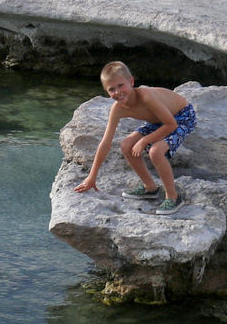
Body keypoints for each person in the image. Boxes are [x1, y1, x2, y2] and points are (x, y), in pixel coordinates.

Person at [72, 61, 195, 214]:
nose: (117, 92)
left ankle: (173, 197)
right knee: (126, 145)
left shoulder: (146, 97)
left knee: (155, 151)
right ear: (106, 91)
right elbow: (105, 143)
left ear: (131, 81)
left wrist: (144, 140)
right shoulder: (118, 109)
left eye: (121, 85)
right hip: (157, 121)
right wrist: (92, 177)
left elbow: (171, 125)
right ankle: (150, 188)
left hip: (181, 117)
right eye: (112, 89)